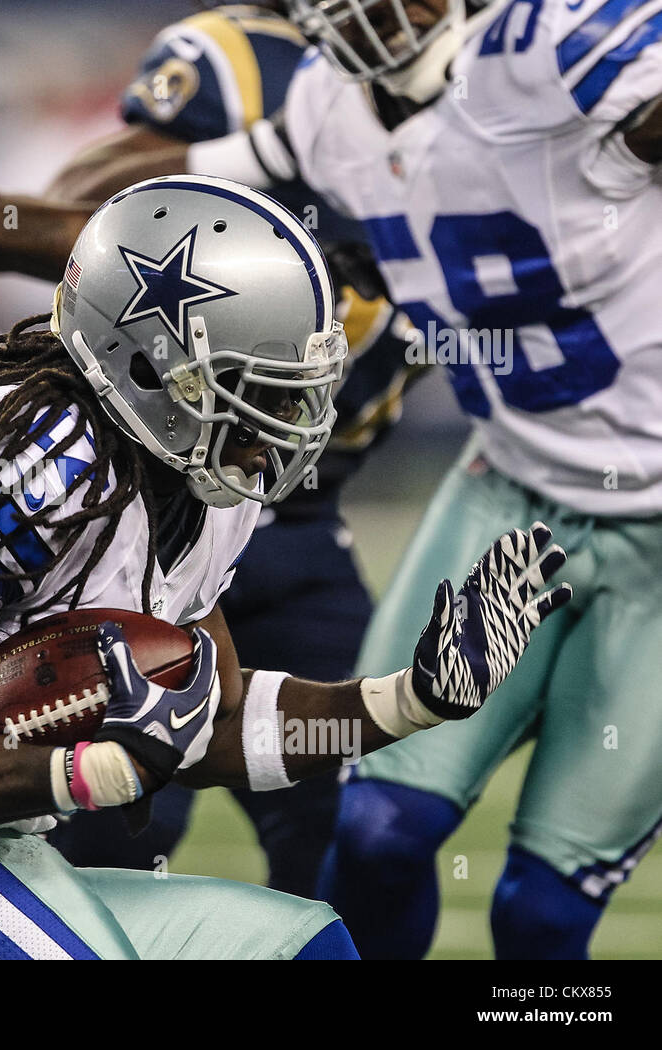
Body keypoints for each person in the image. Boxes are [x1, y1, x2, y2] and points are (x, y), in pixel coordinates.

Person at [0, 174, 570, 959]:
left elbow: (214, 722)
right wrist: (98, 769)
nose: (278, 421)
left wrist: (408, 701)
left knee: (302, 946)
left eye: (293, 393)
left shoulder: (209, 482)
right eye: (253, 385)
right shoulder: (36, 461)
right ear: (147, 359)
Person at [233, 0, 662, 958]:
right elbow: (164, 187)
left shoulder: (557, 50)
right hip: (507, 487)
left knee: (542, 912)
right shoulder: (328, 104)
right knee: (378, 829)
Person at [0, 2, 424, 896]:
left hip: (297, 521)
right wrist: (262, 159)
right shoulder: (255, 65)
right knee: (114, 826)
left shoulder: (516, 114)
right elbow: (95, 199)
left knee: (365, 829)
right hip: (154, 503)